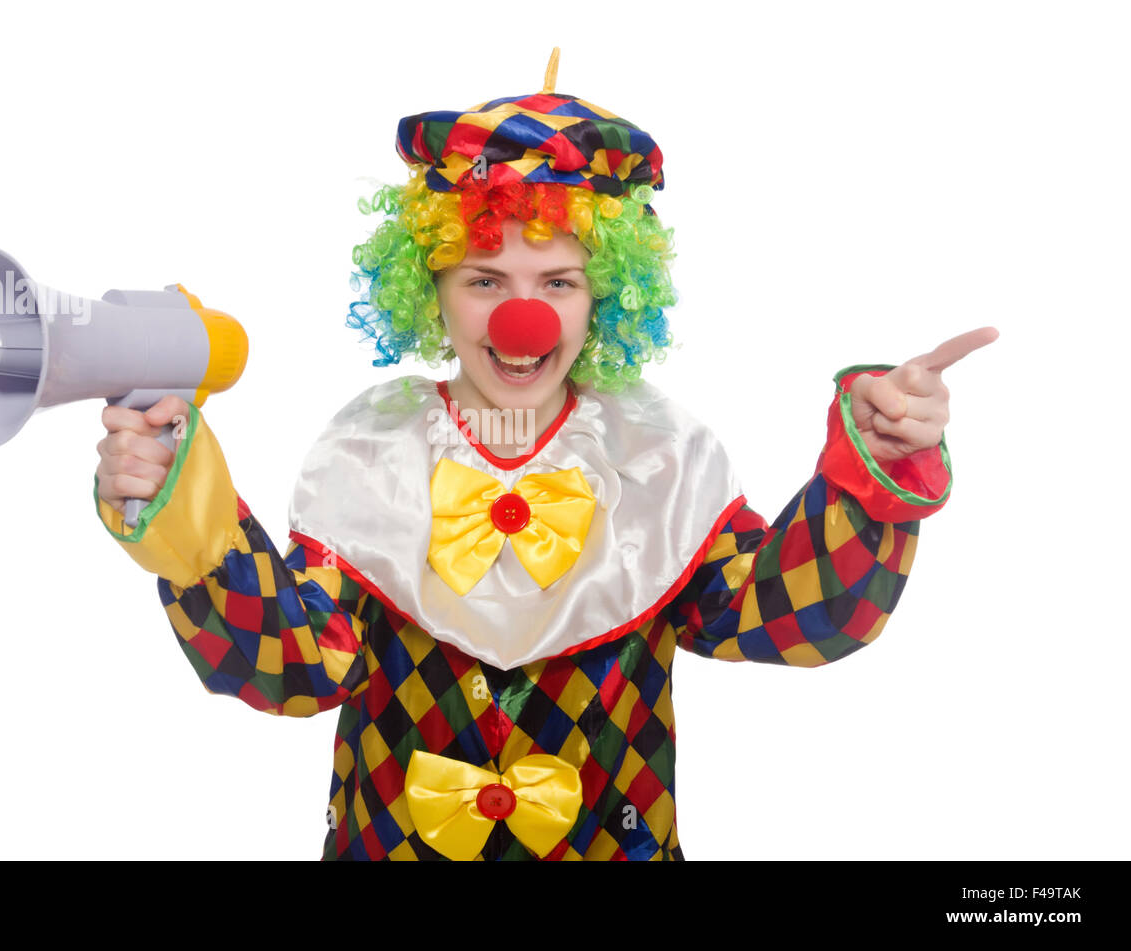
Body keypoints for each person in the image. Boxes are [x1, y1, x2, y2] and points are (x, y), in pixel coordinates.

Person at [93, 57, 996, 860]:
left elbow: (792, 615)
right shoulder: (372, 452)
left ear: (604, 295)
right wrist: (181, 508)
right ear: (431, 290)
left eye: (557, 282)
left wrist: (871, 470)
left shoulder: (657, 459)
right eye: (485, 281)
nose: (521, 320)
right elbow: (291, 662)